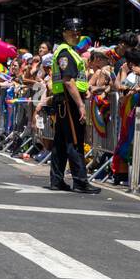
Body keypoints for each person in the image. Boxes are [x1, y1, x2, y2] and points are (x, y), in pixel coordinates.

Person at [47, 17, 100, 194]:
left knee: (61, 143)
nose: (76, 35)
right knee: (75, 142)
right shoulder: (65, 53)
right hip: (68, 102)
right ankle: (80, 181)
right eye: (72, 32)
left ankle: (57, 180)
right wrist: (81, 105)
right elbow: (68, 81)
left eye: (78, 32)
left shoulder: (69, 51)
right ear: (64, 33)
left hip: (64, 101)